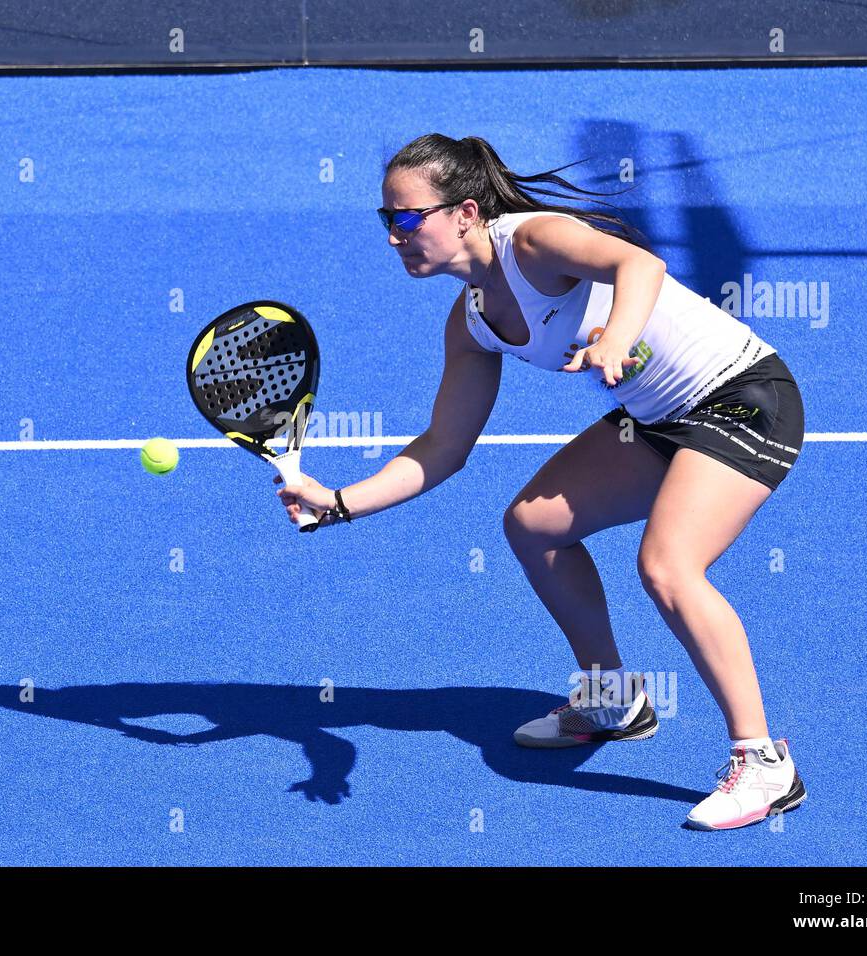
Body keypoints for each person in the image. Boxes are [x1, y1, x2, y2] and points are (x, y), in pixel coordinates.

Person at [274, 133, 808, 830]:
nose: (394, 237)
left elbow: (637, 264)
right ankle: (613, 698)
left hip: (743, 396)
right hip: (657, 418)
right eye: (387, 221)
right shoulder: (471, 322)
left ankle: (764, 763)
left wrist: (616, 336)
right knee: (533, 524)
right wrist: (340, 502)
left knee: (669, 567)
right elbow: (443, 447)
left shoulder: (533, 243)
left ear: (465, 212)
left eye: (406, 219)